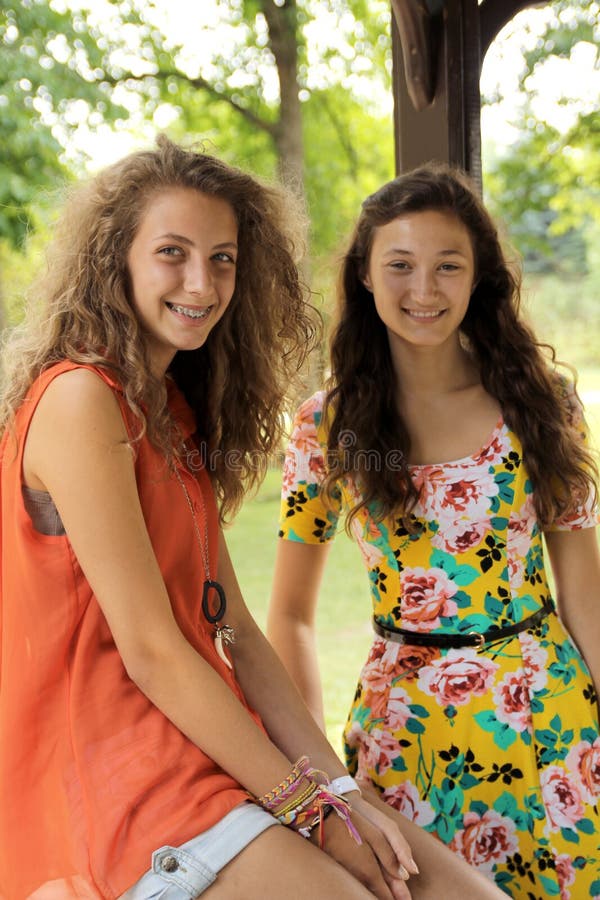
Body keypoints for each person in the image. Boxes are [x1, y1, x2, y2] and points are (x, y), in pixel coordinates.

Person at [0, 139, 505, 900]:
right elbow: (153, 652)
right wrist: (312, 812)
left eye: (224, 257)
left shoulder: (167, 409)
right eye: (172, 252)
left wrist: (345, 793)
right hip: (127, 785)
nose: (202, 282)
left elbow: (232, 621)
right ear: (117, 259)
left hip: (213, 754)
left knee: (460, 893)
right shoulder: (80, 399)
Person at [268, 162, 600, 899]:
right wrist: (319, 773)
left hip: (548, 717)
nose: (424, 290)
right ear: (364, 276)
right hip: (407, 735)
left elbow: (585, 590)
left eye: (448, 266)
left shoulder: (541, 406)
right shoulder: (326, 427)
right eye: (401, 266)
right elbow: (289, 615)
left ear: (479, 276)